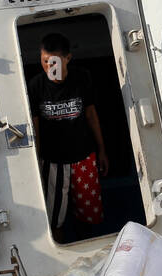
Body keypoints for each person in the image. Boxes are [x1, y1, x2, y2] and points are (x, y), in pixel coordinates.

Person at [28, 32, 108, 240]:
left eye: (53, 61)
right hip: (53, 161)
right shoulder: (36, 85)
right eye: (45, 61)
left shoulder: (82, 78)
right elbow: (34, 126)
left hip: (84, 158)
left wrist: (102, 150)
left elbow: (91, 114)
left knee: (87, 214)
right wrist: (36, 161)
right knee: (55, 218)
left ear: (68, 59)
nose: (49, 66)